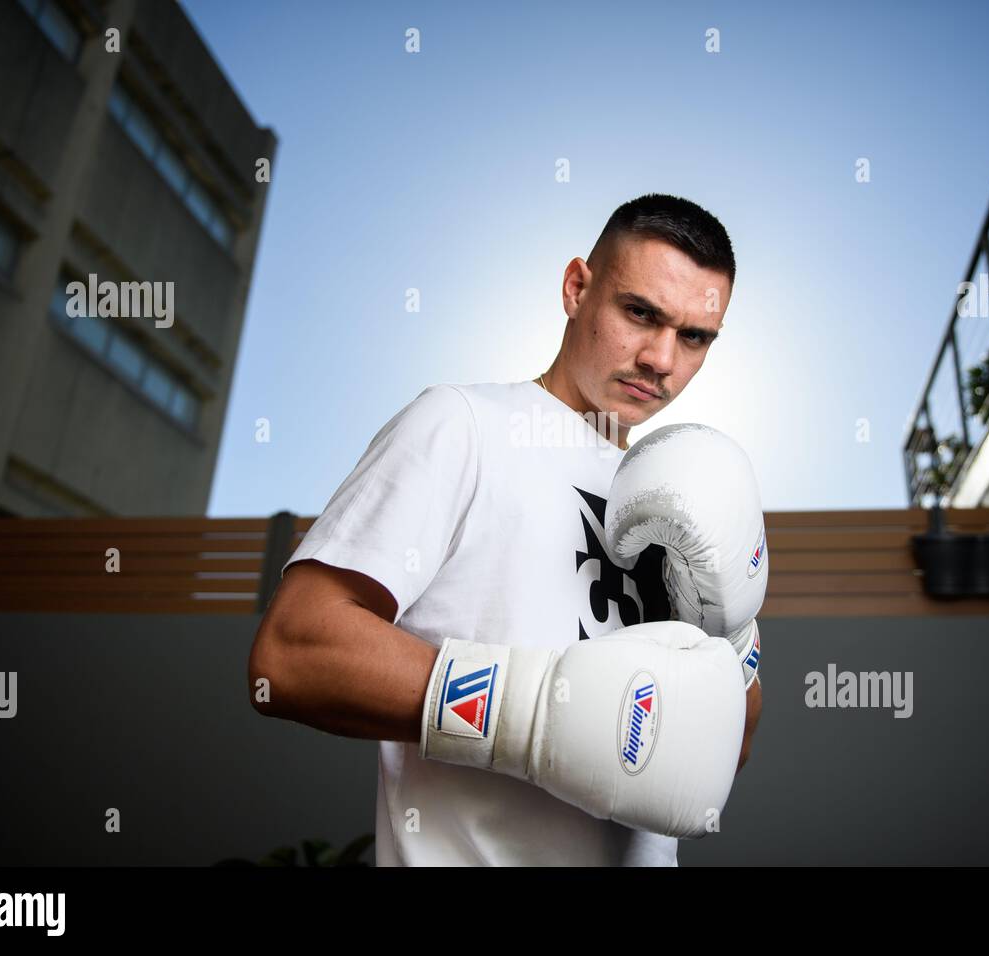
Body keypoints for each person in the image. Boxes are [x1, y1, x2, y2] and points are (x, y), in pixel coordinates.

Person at [249, 193, 763, 866]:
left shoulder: (682, 493)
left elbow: (721, 757)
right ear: (577, 288)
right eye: (639, 313)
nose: (661, 359)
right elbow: (290, 654)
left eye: (694, 337)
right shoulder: (462, 425)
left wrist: (736, 630)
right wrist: (533, 715)